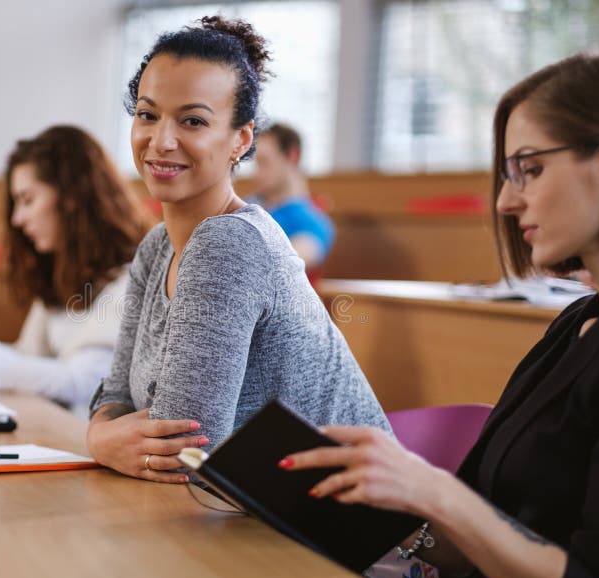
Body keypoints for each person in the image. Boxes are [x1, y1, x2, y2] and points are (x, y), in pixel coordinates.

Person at [281, 50, 599, 578]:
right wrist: (383, 496)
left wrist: (432, 490)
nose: (506, 201)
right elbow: (469, 550)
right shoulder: (575, 322)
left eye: (530, 169)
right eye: (508, 175)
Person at [86, 16, 390, 484]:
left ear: (241, 140)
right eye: (148, 115)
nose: (161, 141)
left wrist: (101, 437)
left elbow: (187, 451)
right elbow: (114, 394)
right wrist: (101, 436)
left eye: (193, 121)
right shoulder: (157, 246)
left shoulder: (230, 242)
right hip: (244, 520)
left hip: (350, 541)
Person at [0, 126, 149, 417]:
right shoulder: (63, 277)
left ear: (73, 197)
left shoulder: (129, 278)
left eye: (28, 200)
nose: (18, 219)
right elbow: (26, 358)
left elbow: (82, 383)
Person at [252, 123, 335, 271]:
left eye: (264, 162)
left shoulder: (312, 221)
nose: (257, 174)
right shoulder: (248, 205)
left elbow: (285, 264)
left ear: (292, 156)